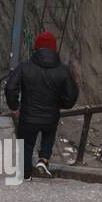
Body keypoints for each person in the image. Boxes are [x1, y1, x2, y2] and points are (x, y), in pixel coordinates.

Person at [5, 30, 78, 179]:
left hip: (28, 116)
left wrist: (14, 106)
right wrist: (61, 104)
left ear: (37, 48)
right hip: (51, 116)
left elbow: (10, 86)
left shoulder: (25, 66)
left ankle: (26, 175)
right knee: (49, 135)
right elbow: (72, 95)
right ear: (54, 48)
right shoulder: (63, 70)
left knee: (25, 145)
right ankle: (44, 159)